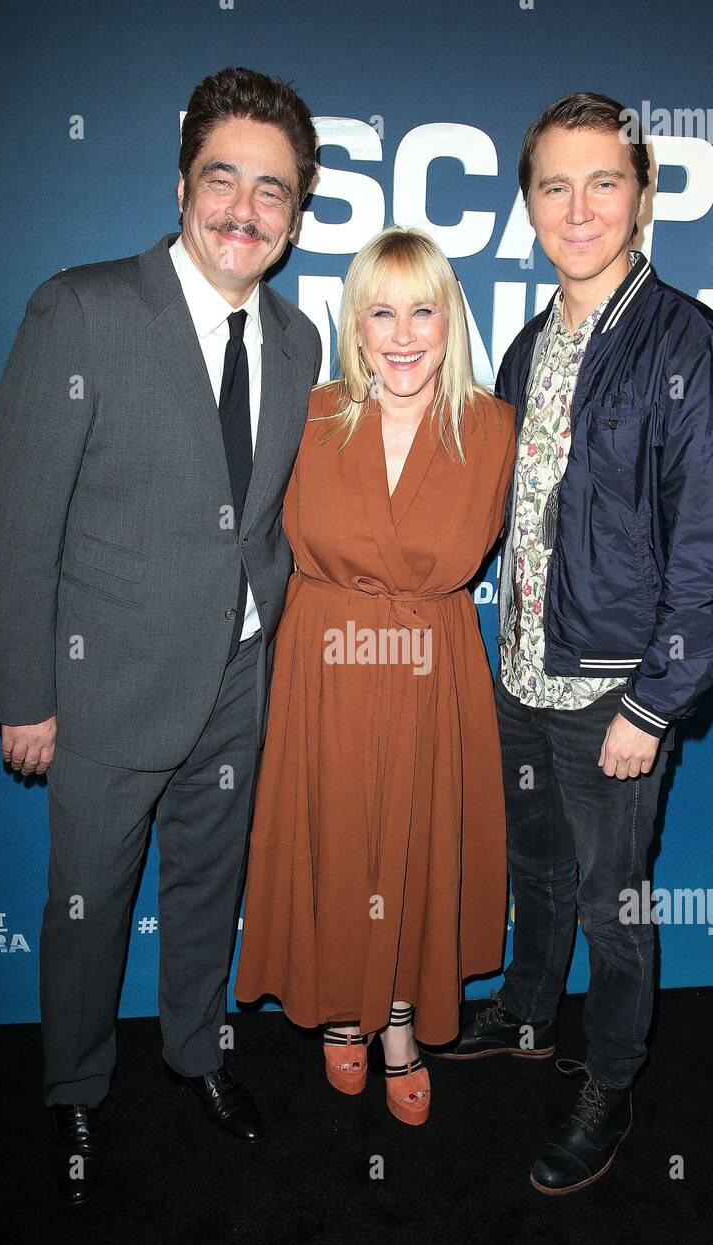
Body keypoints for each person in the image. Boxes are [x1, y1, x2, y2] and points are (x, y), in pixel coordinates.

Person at [0, 66, 322, 1204]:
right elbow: (17, 523)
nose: (244, 209)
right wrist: (25, 694)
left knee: (206, 888)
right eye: (224, 178)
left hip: (235, 675)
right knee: (87, 906)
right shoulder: (80, 308)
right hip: (105, 683)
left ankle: (196, 1052)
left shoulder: (296, 339)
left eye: (272, 190)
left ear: (295, 211)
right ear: (181, 184)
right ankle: (74, 1094)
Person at [435, 93, 713, 1192]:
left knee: (615, 907)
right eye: (553, 187)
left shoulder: (687, 344)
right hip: (520, 671)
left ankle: (608, 1084)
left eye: (601, 183)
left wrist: (651, 707)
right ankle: (525, 1014)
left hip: (615, 692)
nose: (577, 209)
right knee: (537, 867)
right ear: (527, 204)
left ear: (642, 196)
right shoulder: (530, 344)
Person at [234, 227, 517, 1125]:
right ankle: (343, 1012)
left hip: (433, 672)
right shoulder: (309, 415)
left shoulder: (493, 427)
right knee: (340, 839)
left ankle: (399, 1021)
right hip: (326, 671)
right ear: (354, 326)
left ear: (450, 320)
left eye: (422, 309)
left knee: (415, 845)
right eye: (380, 311)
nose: (402, 334)